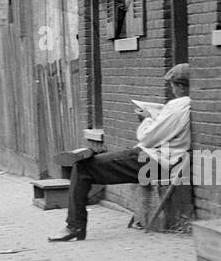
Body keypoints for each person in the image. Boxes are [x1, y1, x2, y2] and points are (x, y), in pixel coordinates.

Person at [49, 63, 192, 242]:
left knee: (82, 168)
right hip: (165, 162)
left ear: (180, 86)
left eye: (173, 86)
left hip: (153, 162)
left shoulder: (179, 105)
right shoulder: (192, 104)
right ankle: (94, 153)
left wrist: (146, 119)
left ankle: (75, 226)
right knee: (101, 160)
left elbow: (147, 138)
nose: (172, 91)